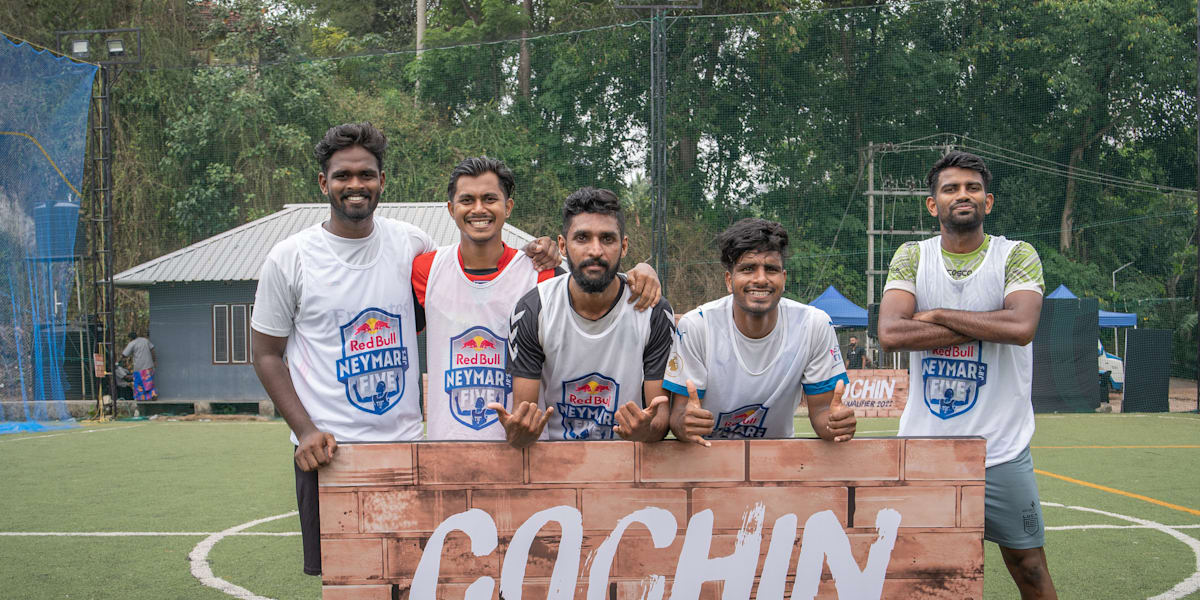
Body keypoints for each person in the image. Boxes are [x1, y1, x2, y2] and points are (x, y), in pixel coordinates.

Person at [249, 124, 558, 576]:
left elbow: (467, 286)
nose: (355, 185)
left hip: (409, 447)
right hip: (329, 452)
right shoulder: (289, 257)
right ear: (323, 183)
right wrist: (305, 430)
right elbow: (265, 354)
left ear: (382, 181)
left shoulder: (412, 246)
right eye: (343, 176)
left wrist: (550, 254)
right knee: (345, 581)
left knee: (415, 577)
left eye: (366, 174)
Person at [877, 151, 1055, 599]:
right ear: (932, 205)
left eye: (973, 188)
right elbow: (892, 333)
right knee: (926, 571)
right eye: (951, 188)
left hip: (1001, 447)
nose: (963, 195)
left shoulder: (1016, 255)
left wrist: (935, 315)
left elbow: (1020, 328)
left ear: (988, 201)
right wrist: (979, 321)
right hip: (924, 446)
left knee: (1029, 567)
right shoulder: (911, 256)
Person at [413, 157, 662, 440]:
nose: (479, 209)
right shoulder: (425, 270)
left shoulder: (541, 273)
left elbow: (596, 276)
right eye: (467, 199)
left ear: (508, 207)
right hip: (445, 450)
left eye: (490, 198)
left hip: (527, 453)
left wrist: (641, 271)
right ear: (450, 208)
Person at [497, 187, 675, 447]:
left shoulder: (652, 311)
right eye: (582, 238)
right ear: (562, 245)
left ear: (624, 246)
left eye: (607, 239)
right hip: (556, 467)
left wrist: (645, 431)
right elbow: (523, 422)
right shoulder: (533, 310)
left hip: (629, 467)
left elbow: (659, 421)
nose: (595, 250)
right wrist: (517, 433)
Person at [666, 218, 856, 443]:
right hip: (707, 460)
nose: (760, 279)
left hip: (775, 464)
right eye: (748, 269)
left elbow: (823, 412)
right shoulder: (697, 326)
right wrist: (684, 423)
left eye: (771, 269)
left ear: (783, 279)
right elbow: (679, 415)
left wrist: (836, 424)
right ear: (729, 280)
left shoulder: (813, 325)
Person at [121, 332, 157, 401]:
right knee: (149, 382)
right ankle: (153, 395)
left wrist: (120, 361)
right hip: (149, 366)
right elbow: (152, 350)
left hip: (139, 367)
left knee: (138, 383)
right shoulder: (145, 340)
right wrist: (154, 361)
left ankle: (141, 398)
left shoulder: (132, 343)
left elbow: (124, 354)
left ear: (130, 338)